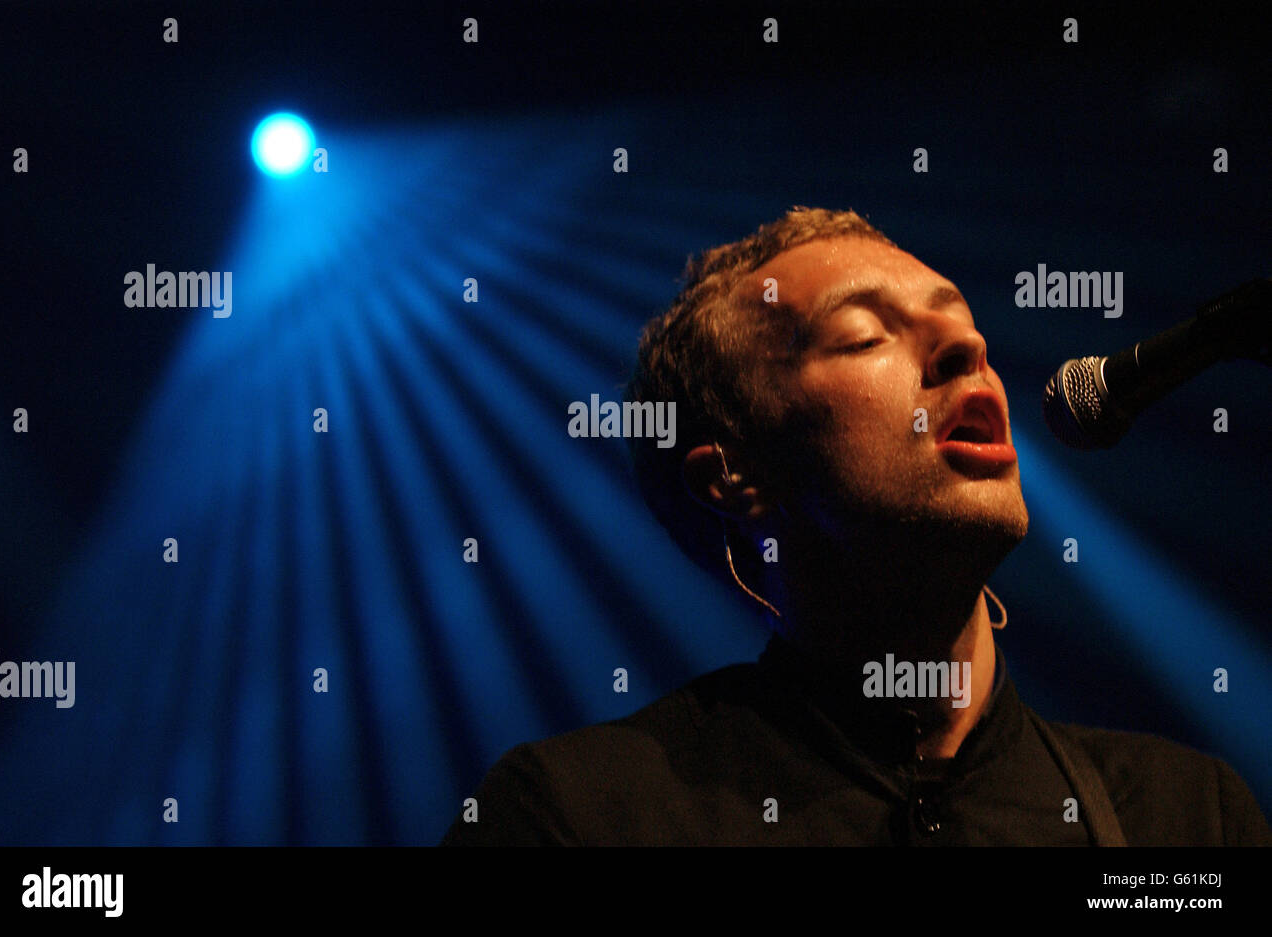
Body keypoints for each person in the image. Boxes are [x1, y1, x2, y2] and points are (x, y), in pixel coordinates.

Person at [441, 207, 1271, 845]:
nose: (966, 344)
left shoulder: (1183, 815)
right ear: (735, 477)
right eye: (864, 334)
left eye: (959, 319)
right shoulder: (581, 815)